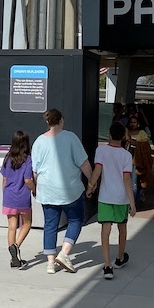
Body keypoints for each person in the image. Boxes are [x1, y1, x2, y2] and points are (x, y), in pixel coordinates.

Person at [31, 108, 93, 274]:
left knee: (50, 225)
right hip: (70, 189)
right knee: (76, 219)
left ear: (47, 122)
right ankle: (64, 254)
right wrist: (91, 183)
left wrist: (37, 188)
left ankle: (51, 263)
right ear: (61, 120)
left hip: (47, 189)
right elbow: (84, 163)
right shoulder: (71, 138)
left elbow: (35, 171)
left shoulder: (38, 141)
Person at [86, 122, 135, 279]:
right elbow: (127, 179)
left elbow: (97, 170)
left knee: (105, 230)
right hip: (121, 197)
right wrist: (132, 202)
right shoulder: (126, 155)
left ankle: (107, 266)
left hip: (105, 196)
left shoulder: (101, 151)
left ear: (109, 134)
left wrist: (90, 186)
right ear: (123, 136)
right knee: (122, 227)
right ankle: (120, 257)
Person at [0, 130, 35, 268]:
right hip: (22, 197)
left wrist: (4, 194)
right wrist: (35, 190)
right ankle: (16, 246)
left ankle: (14, 258)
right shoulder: (28, 159)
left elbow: (4, 179)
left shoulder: (7, 158)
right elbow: (28, 180)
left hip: (9, 196)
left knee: (11, 228)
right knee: (27, 223)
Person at [126, 115, 153, 204]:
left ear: (138, 124)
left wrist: (135, 143)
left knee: (134, 181)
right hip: (125, 160)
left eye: (135, 122)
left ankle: (133, 203)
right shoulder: (126, 132)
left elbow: (146, 147)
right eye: (131, 122)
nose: (133, 124)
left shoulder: (142, 133)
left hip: (137, 160)